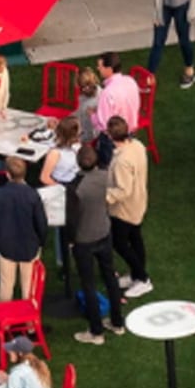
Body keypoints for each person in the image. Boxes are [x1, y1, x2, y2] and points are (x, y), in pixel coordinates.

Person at [69, 144, 127, 344]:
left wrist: (70, 240)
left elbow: (72, 219)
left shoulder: (76, 187)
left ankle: (96, 332)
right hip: (103, 233)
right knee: (110, 277)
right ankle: (118, 323)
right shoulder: (105, 176)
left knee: (89, 284)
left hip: (84, 240)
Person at [0, 157, 45, 302]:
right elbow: (41, 223)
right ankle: (29, 322)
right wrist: (40, 241)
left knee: (6, 285)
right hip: (29, 245)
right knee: (29, 287)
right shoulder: (32, 195)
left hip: (6, 245)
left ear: (7, 174)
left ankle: (4, 322)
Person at [105, 118, 152, 298]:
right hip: (138, 200)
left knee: (121, 244)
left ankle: (143, 278)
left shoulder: (122, 161)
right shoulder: (138, 145)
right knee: (135, 238)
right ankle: (136, 275)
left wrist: (104, 198)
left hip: (124, 209)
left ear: (111, 136)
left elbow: (123, 190)